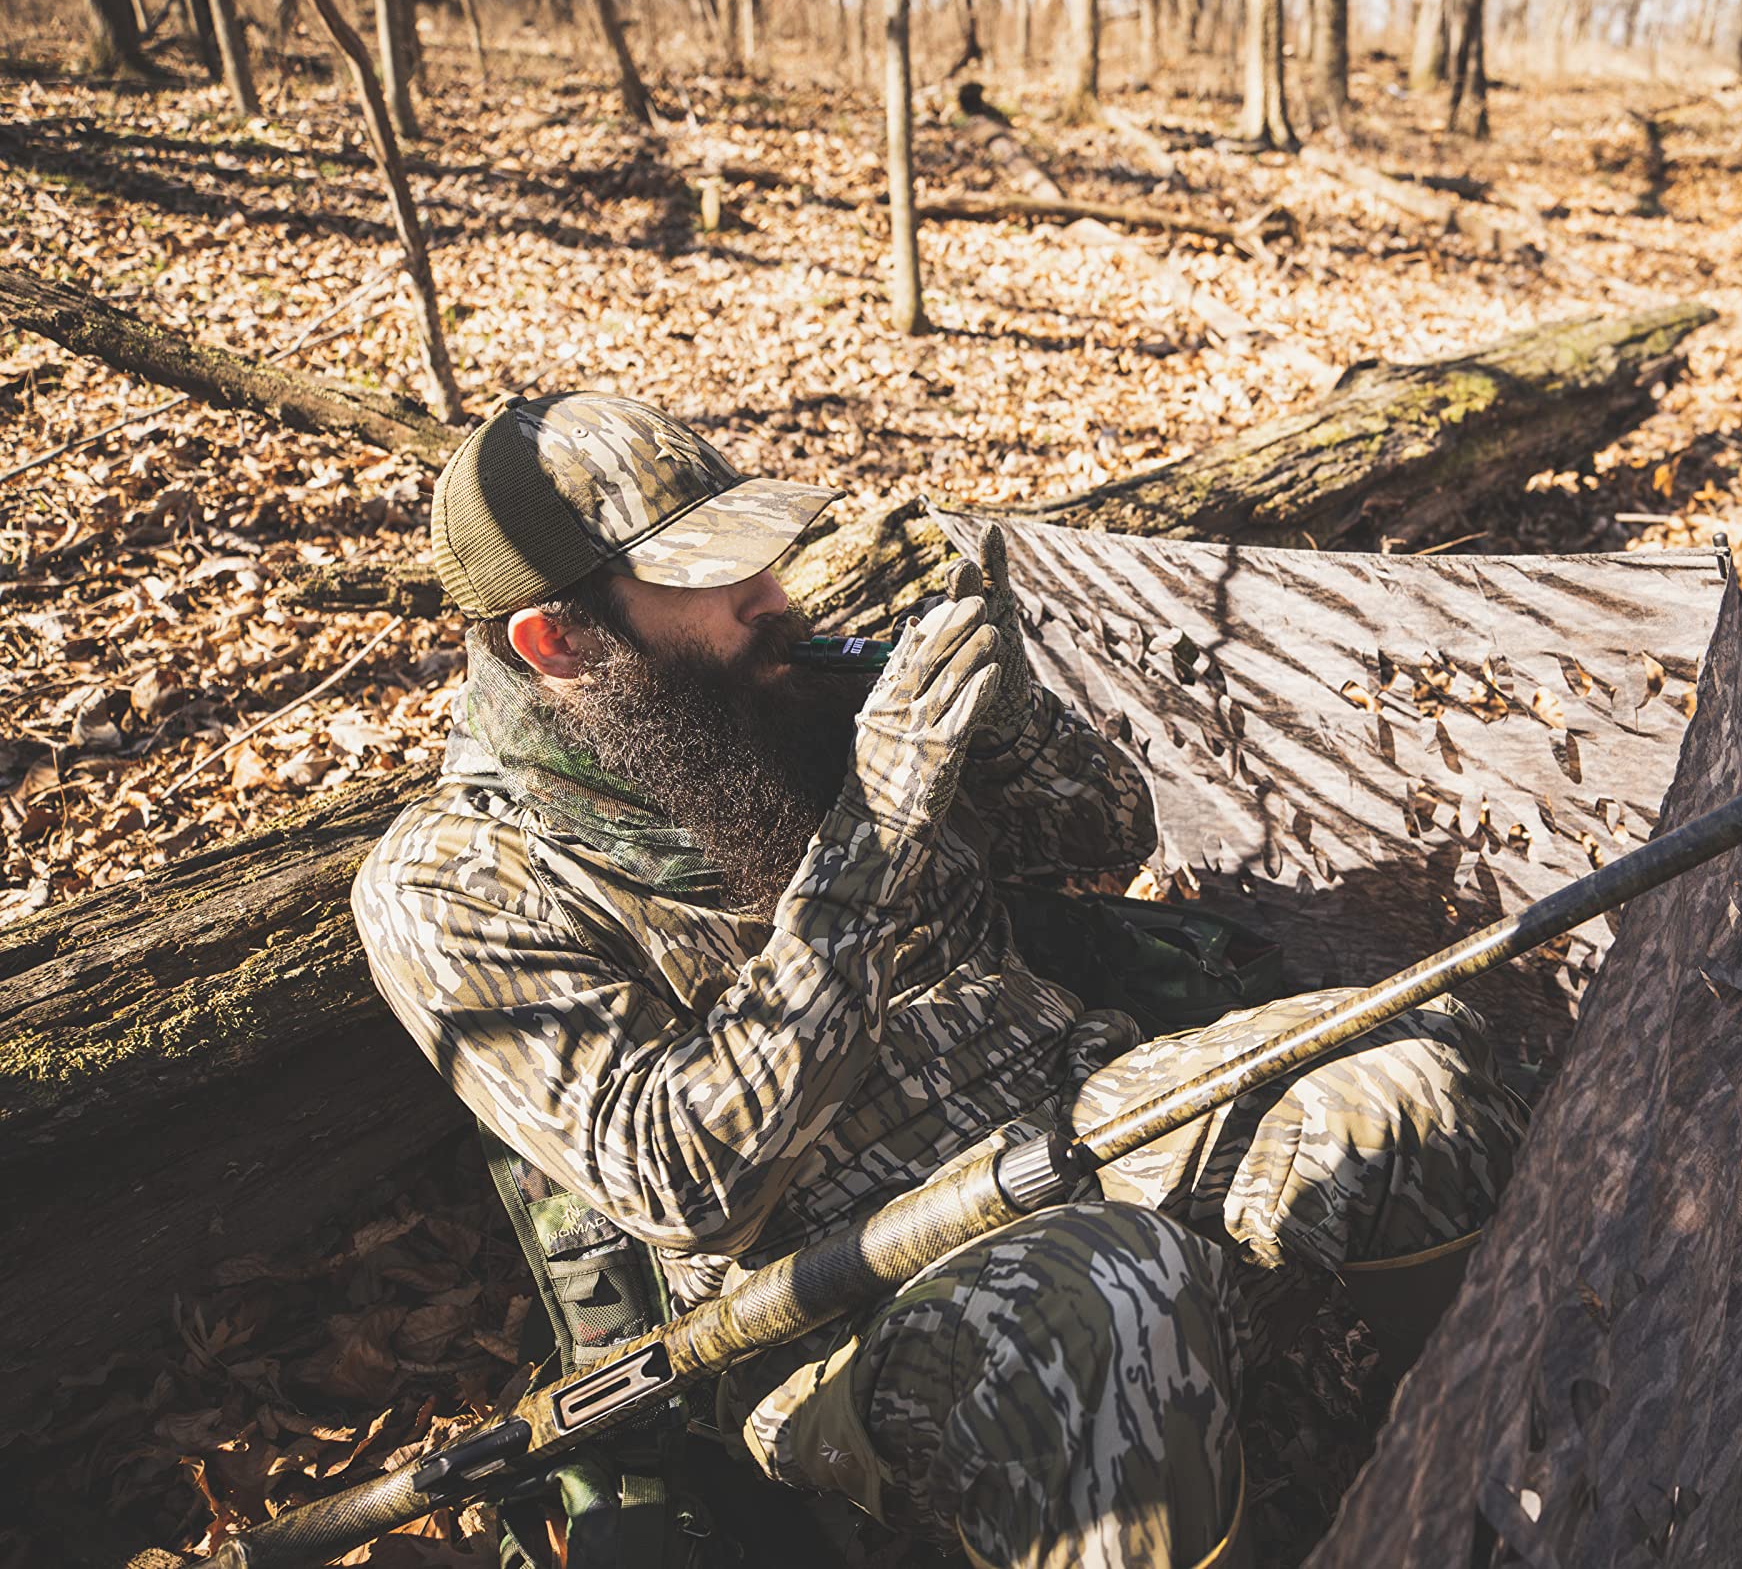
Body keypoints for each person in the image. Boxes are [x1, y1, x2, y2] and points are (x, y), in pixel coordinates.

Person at [353, 392, 1524, 1569]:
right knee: (1100, 1302)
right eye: (711, 574)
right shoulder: (452, 884)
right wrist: (876, 829)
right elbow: (679, 1180)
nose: (774, 595)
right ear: (559, 643)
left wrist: (1008, 722)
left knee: (1407, 1065)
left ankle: (1495, 1482)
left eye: (761, 552)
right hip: (833, 1294)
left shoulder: (776, 691)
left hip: (1081, 1114)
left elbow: (1105, 837)